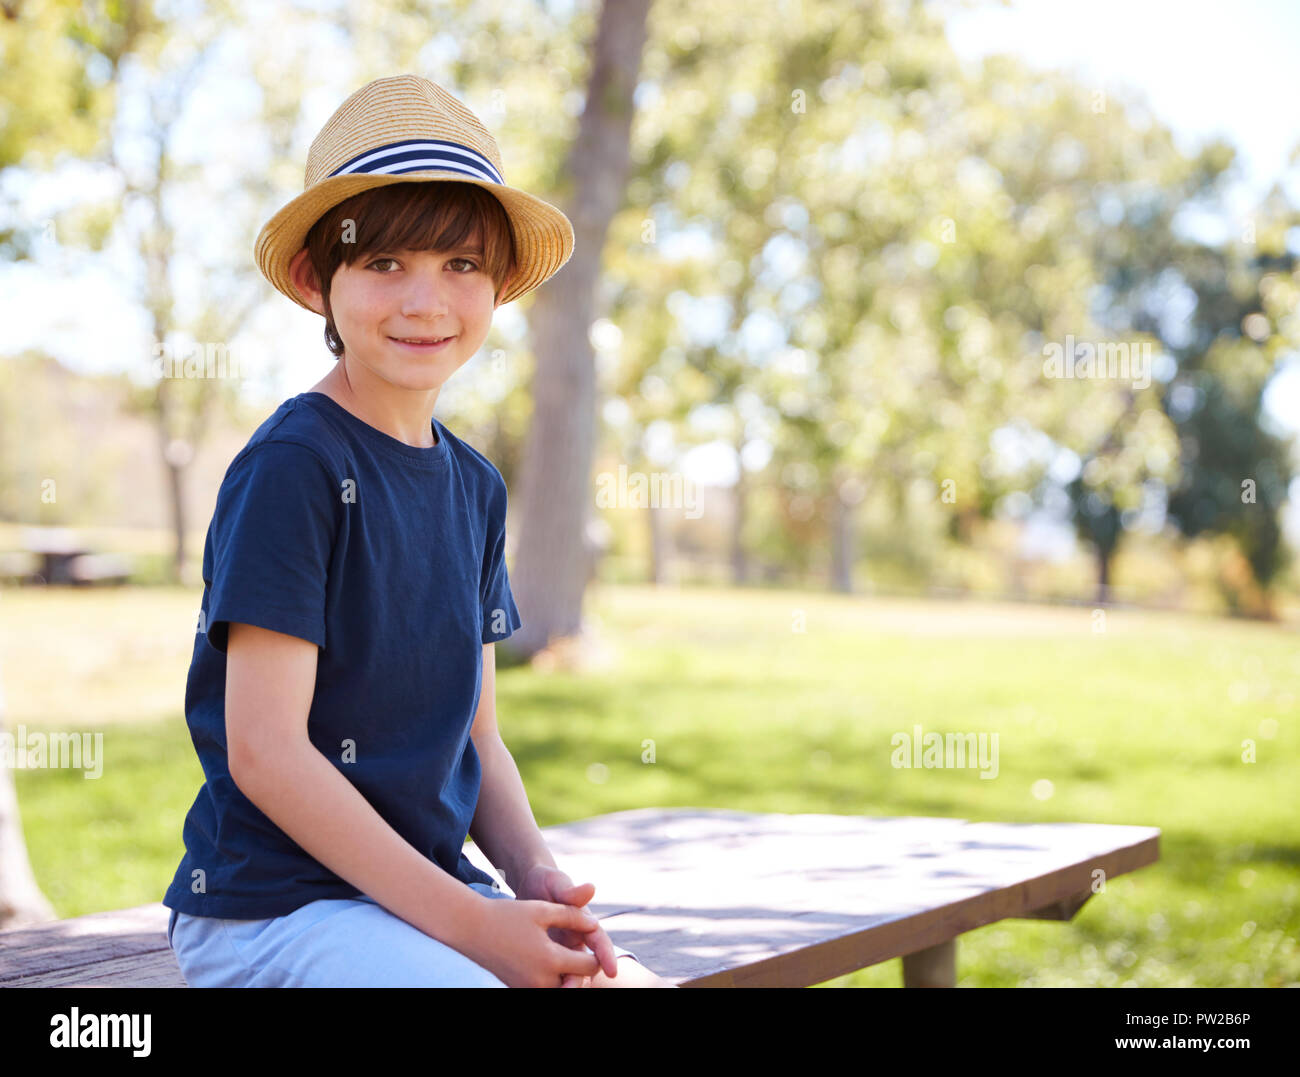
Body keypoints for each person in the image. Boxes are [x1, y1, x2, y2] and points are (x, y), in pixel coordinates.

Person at [162, 74, 672, 988]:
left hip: (426, 898)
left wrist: (533, 879)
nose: (425, 300)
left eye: (461, 265)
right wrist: (478, 927)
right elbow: (266, 753)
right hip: (278, 911)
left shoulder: (473, 486)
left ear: (500, 284)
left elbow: (477, 737)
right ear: (320, 280)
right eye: (384, 262)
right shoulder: (295, 466)